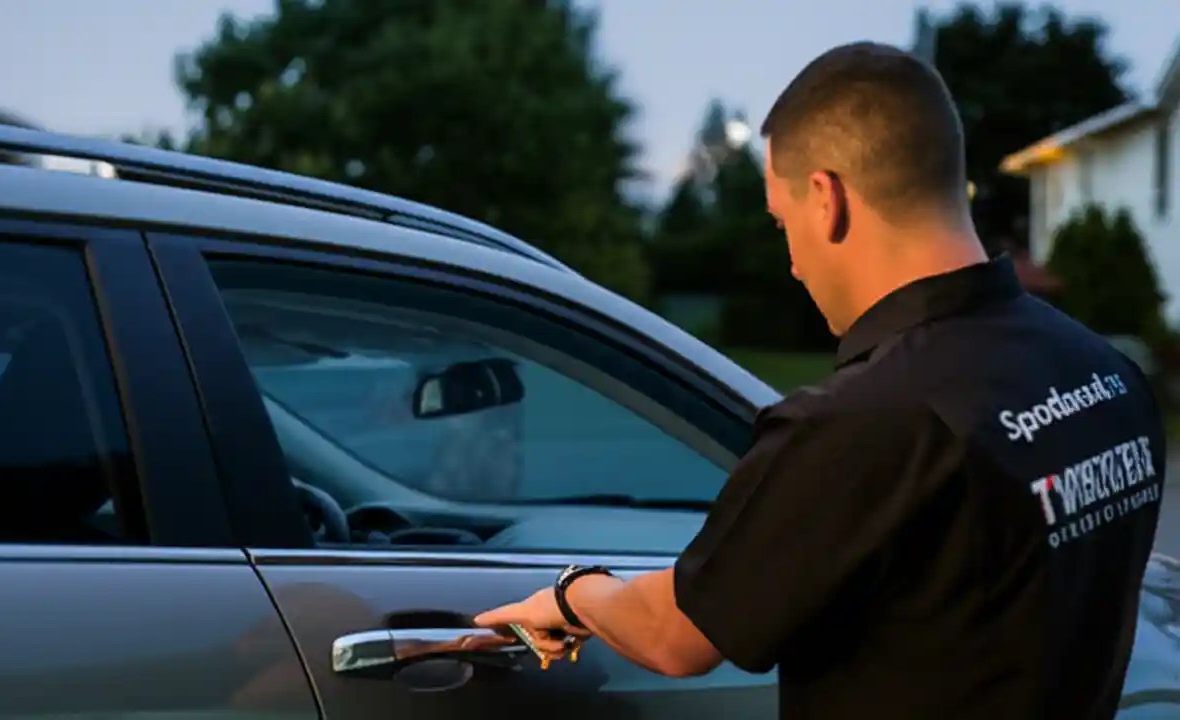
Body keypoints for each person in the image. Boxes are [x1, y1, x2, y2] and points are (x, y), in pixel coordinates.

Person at [474, 40, 1168, 719]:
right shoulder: (1106, 372)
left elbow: (673, 635)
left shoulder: (864, 421)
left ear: (826, 197)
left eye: (782, 223)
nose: (794, 264)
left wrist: (572, 596)